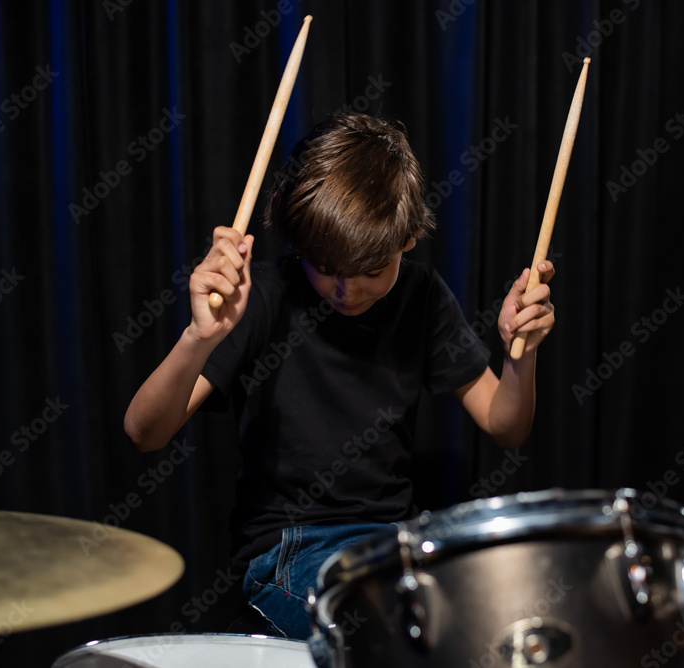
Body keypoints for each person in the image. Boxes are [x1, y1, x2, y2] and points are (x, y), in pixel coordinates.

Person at [124, 112, 555, 639]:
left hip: (393, 544)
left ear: (409, 239)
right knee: (374, 636)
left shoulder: (421, 296)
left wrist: (521, 356)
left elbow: (505, 424)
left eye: (371, 271)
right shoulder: (260, 296)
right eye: (326, 266)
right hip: (290, 549)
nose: (345, 291)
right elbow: (145, 432)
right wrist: (200, 336)